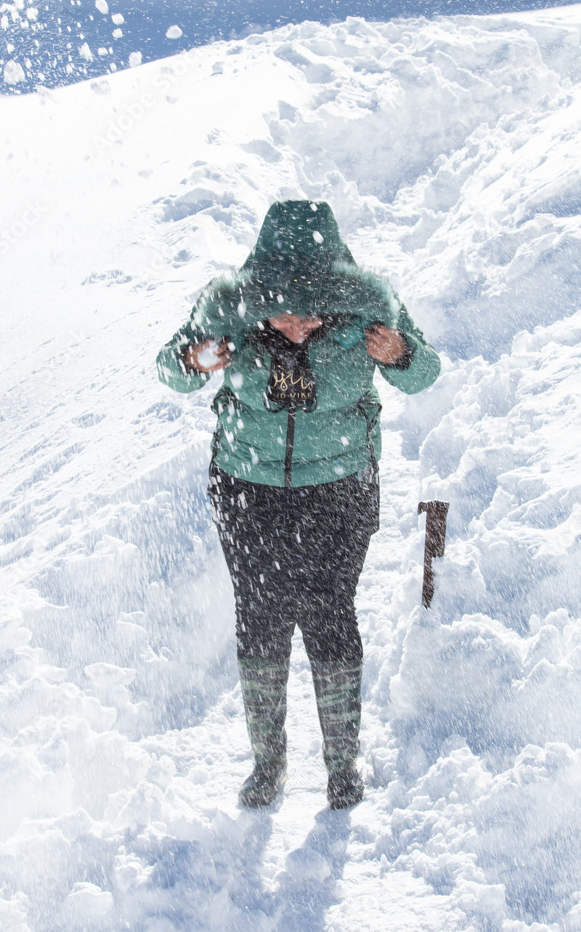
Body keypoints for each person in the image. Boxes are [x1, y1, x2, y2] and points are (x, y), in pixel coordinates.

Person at [157, 200, 440, 809]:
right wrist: (192, 360)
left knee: (329, 613)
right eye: (285, 315)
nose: (300, 327)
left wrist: (400, 354)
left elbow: (425, 372)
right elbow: (170, 369)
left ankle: (342, 763)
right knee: (260, 618)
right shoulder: (227, 312)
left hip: (339, 488)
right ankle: (268, 764)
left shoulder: (367, 311)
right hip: (246, 486)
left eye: (313, 314)